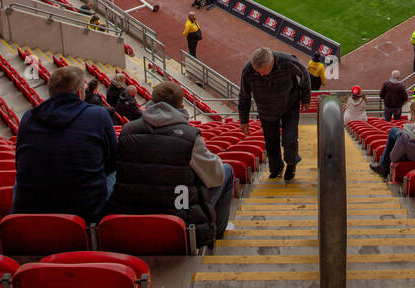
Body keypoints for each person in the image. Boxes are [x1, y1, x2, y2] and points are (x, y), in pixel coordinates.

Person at [111, 81, 232, 244]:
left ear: (151, 101)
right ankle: (216, 233)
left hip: (132, 210)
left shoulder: (126, 131)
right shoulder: (190, 136)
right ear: (181, 105)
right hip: (179, 211)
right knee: (227, 170)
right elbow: (216, 176)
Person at [13, 64, 117, 223]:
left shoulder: (28, 117)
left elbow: (19, 161)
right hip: (86, 211)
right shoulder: (98, 115)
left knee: (19, 179)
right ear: (79, 92)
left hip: (31, 209)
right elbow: (113, 161)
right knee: (115, 173)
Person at [239, 46, 311, 182]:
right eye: (258, 72)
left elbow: (304, 74)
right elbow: (244, 96)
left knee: (289, 139)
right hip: (266, 110)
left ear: (272, 63)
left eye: (264, 72)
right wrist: (244, 119)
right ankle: (276, 168)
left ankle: (291, 163)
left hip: (289, 105)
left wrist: (306, 98)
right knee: (271, 143)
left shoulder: (287, 61)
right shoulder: (248, 70)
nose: (261, 75)